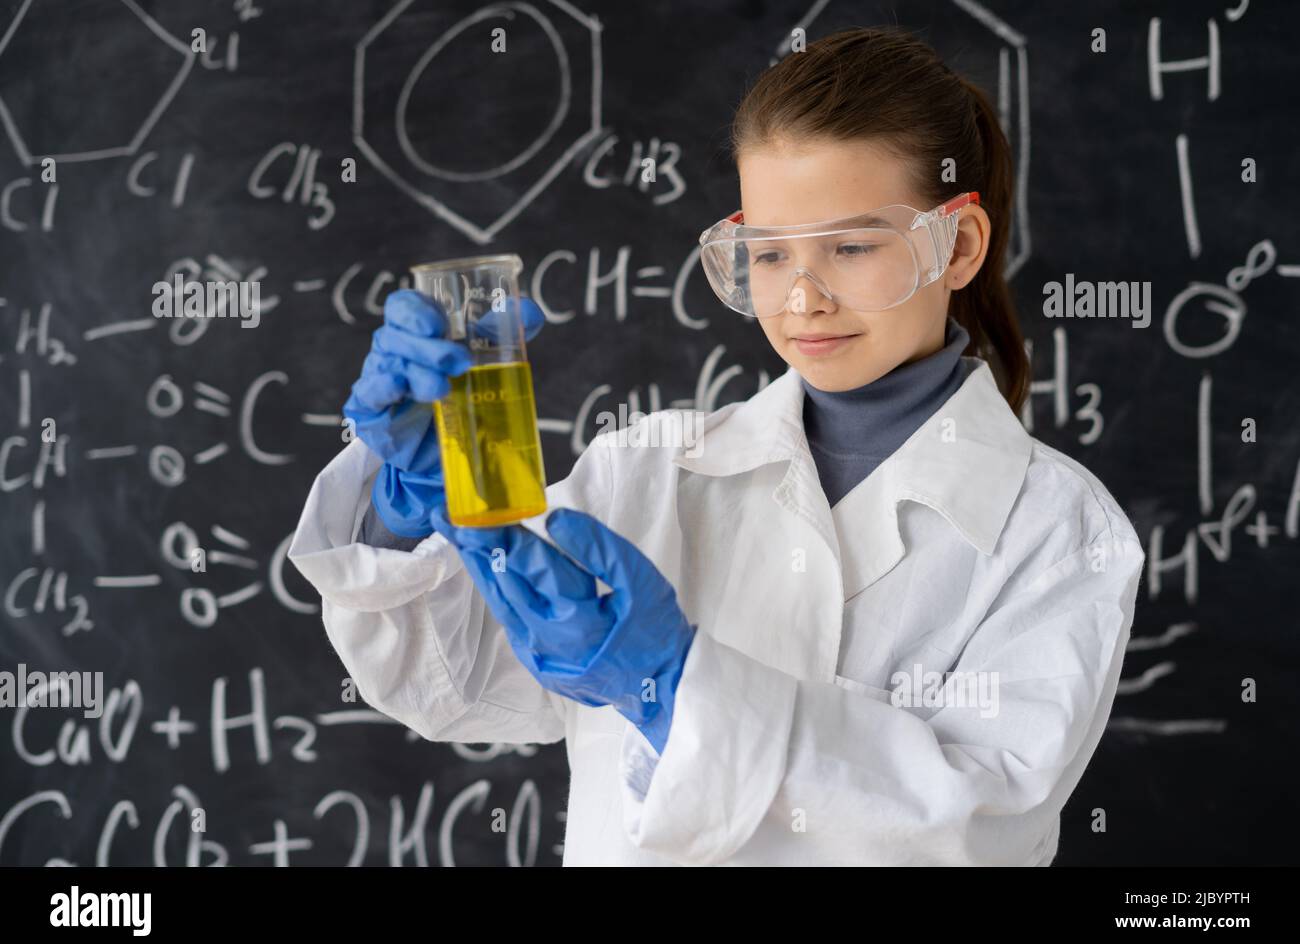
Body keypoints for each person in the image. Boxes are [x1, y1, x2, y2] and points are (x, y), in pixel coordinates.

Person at [288, 27, 1145, 866]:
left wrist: (671, 686)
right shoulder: (649, 469)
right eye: (768, 254)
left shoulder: (1058, 531)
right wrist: (407, 515)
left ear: (956, 245)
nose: (803, 299)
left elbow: (970, 829)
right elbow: (460, 680)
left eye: (849, 246)